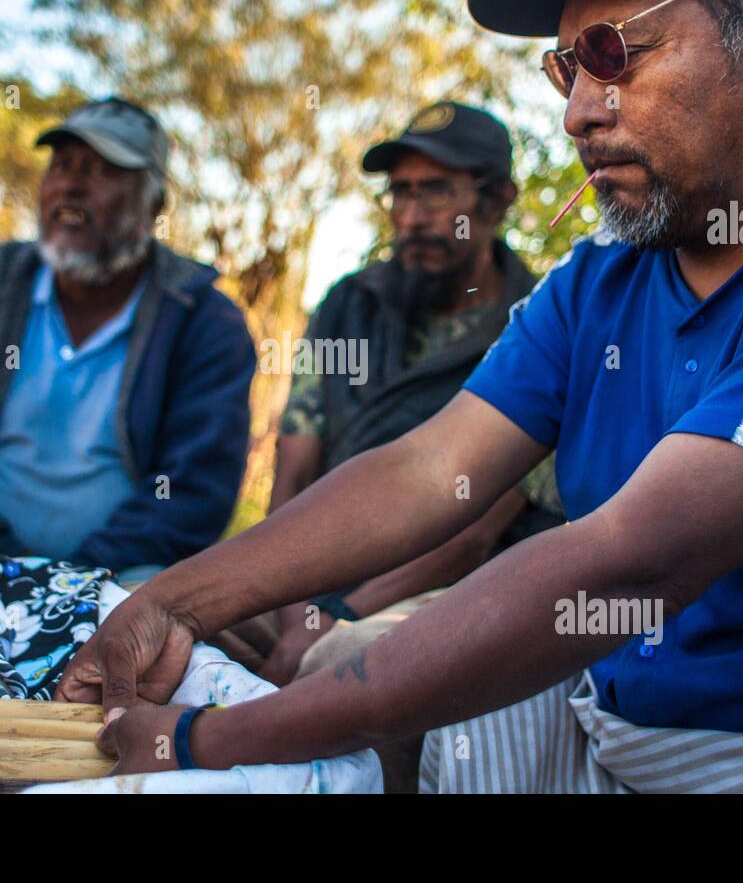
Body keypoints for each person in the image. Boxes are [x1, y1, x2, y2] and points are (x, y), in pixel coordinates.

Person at [58, 0, 743, 793]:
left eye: (614, 53)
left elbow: (631, 561)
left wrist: (199, 740)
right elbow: (429, 469)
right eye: (566, 67)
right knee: (359, 689)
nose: (577, 112)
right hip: (616, 720)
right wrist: (173, 604)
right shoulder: (604, 274)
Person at [225, 102, 562, 688]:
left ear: (499, 199)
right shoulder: (349, 304)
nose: (410, 216)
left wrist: (340, 616)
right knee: (160, 612)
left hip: (441, 592)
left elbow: (475, 532)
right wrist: (294, 608)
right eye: (399, 194)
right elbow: (295, 470)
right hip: (309, 578)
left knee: (343, 668)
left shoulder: (540, 321)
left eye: (435, 192)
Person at [0, 99, 256, 584]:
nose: (71, 185)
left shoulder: (204, 323)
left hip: (118, 577)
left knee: (152, 623)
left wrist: (69, 583)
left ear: (153, 206)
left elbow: (194, 491)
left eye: (103, 171)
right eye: (62, 166)